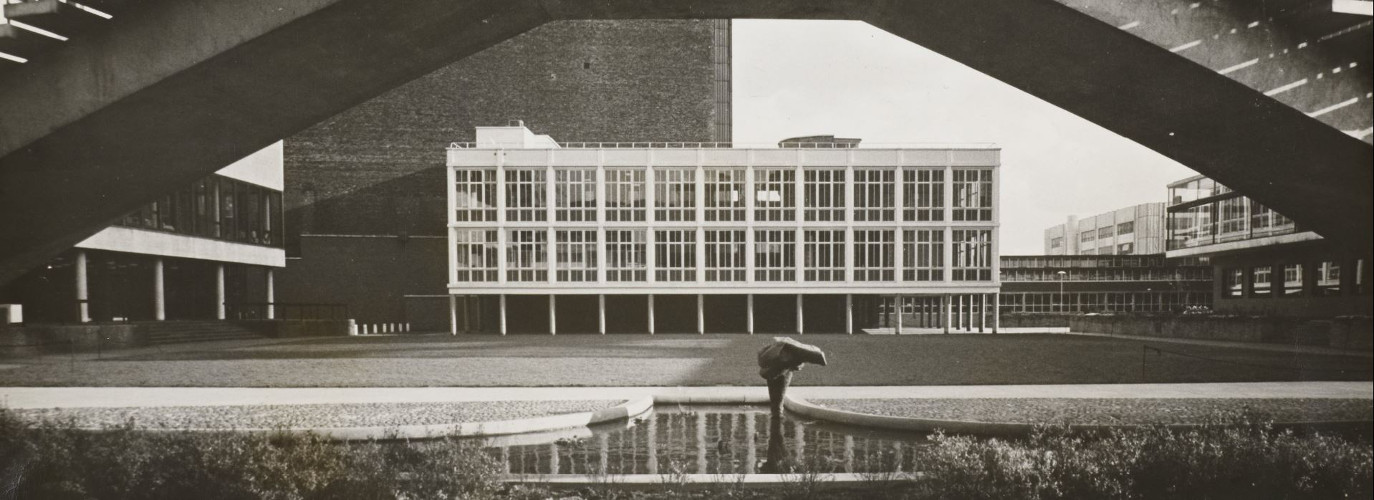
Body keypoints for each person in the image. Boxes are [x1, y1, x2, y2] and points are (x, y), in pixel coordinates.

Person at [756, 337, 827, 415]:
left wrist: (780, 345)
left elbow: (796, 365)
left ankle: (777, 414)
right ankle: (777, 414)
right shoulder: (769, 367)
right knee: (776, 406)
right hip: (781, 361)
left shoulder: (765, 360)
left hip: (780, 357)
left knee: (777, 405)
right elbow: (797, 366)